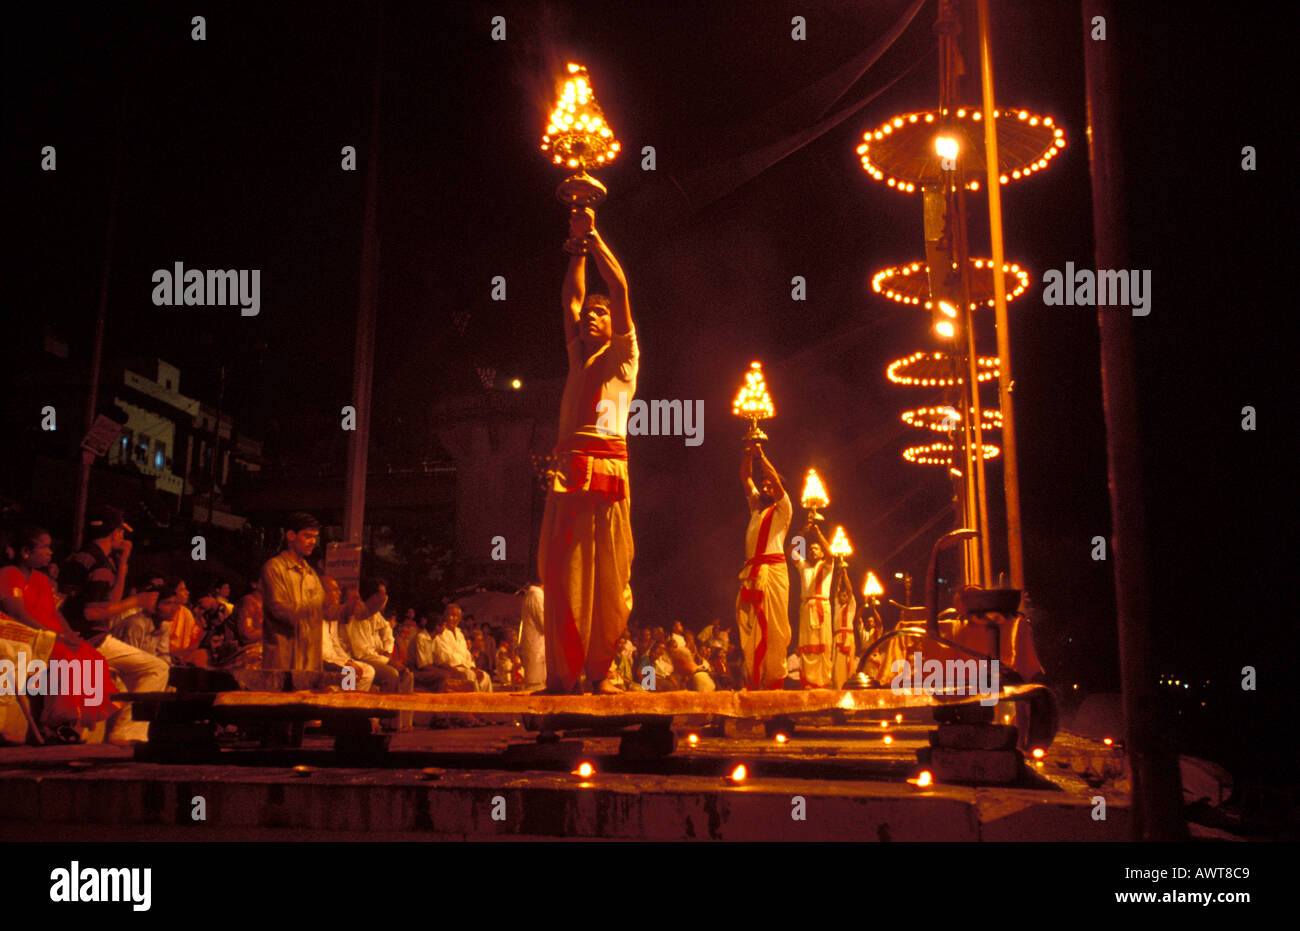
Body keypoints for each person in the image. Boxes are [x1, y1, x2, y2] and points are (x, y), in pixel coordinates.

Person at [537, 206, 638, 694]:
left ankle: (604, 670)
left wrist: (595, 240)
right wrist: (575, 250)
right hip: (570, 470)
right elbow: (568, 303)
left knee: (609, 578)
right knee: (562, 573)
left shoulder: (623, 355)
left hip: (608, 473)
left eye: (600, 314)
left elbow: (617, 290)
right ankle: (565, 673)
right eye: (589, 314)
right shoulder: (578, 358)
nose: (590, 316)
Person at [58, 506, 170, 744]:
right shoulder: (99, 564)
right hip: (88, 639)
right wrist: (137, 601)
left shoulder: (80, 557)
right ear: (116, 532)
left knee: (136, 673)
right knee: (156, 668)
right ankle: (127, 733)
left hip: (74, 635)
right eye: (121, 531)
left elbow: (111, 602)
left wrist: (123, 564)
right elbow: (93, 611)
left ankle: (100, 732)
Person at [0, 526, 119, 740]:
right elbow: (17, 613)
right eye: (44, 547)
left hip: (49, 635)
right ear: (26, 551)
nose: (50, 552)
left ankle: (75, 723)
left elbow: (55, 614)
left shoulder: (42, 580)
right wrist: (55, 636)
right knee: (65, 658)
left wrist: (69, 634)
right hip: (23, 635)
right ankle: (54, 723)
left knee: (92, 657)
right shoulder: (9, 574)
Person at [259, 512, 386, 671]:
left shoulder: (310, 574)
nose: (313, 542)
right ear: (291, 535)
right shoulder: (274, 568)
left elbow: (326, 611)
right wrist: (317, 606)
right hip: (283, 658)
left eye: (315, 537)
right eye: (307, 536)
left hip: (309, 659)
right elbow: (280, 612)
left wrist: (351, 608)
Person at [735, 443, 792, 690]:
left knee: (775, 631)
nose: (765, 487)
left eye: (770, 485)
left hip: (773, 575)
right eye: (764, 484)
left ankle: (773, 681)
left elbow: (775, 484)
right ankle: (753, 680)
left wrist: (762, 456)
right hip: (751, 574)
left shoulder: (784, 509)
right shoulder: (756, 508)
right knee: (748, 629)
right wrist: (748, 450)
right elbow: (745, 477)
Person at [792, 522, 832, 689]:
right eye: (810, 549)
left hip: (822, 606)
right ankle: (808, 681)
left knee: (823, 645)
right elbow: (791, 552)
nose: (812, 551)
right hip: (807, 607)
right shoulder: (804, 566)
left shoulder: (827, 565)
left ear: (821, 552)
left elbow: (831, 554)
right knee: (807, 645)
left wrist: (818, 534)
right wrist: (801, 532)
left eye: (816, 548)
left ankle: (823, 682)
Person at [432, 604, 491, 692]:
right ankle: (474, 702)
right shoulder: (440, 633)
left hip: (466, 667)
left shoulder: (460, 634)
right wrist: (463, 666)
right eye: (451, 615)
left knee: (485, 676)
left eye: (456, 616)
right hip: (450, 668)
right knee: (470, 675)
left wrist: (473, 667)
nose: (454, 619)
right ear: (445, 616)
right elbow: (444, 657)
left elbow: (466, 654)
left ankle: (488, 703)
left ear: (459, 619)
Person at [830, 561, 857, 688]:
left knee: (848, 664)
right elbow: (835, 590)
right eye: (842, 596)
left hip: (848, 638)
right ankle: (838, 688)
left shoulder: (851, 607)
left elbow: (850, 590)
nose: (843, 597)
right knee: (836, 666)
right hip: (837, 638)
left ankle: (849, 687)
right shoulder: (837, 607)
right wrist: (839, 575)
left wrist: (845, 573)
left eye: (845, 596)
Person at [518, 581, 545, 690]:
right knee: (537, 686)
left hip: (537, 648)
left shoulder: (533, 594)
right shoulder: (536, 595)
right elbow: (544, 623)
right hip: (536, 649)